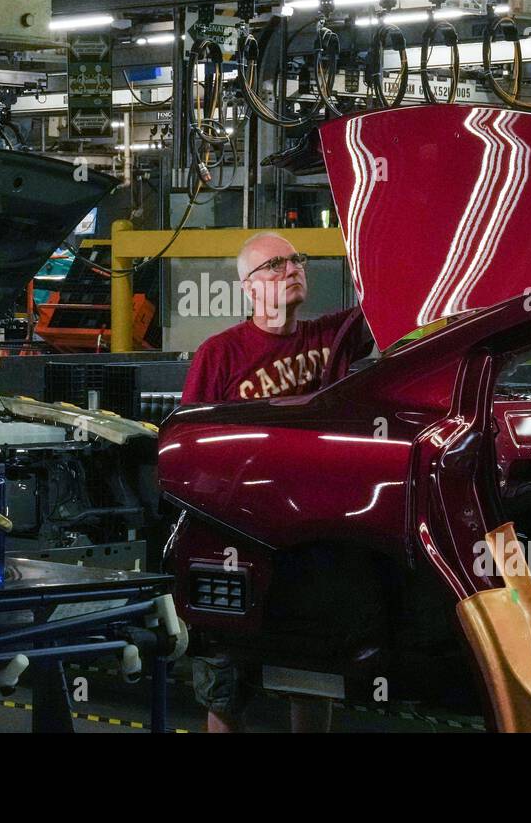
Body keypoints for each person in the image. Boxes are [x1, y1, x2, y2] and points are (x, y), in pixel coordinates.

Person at [180, 231, 374, 732]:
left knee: (310, 673)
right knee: (226, 686)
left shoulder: (332, 336)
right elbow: (188, 447)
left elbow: (392, 298)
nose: (291, 269)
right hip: (237, 539)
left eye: (296, 261)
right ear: (247, 288)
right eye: (275, 266)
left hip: (310, 540)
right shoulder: (219, 354)